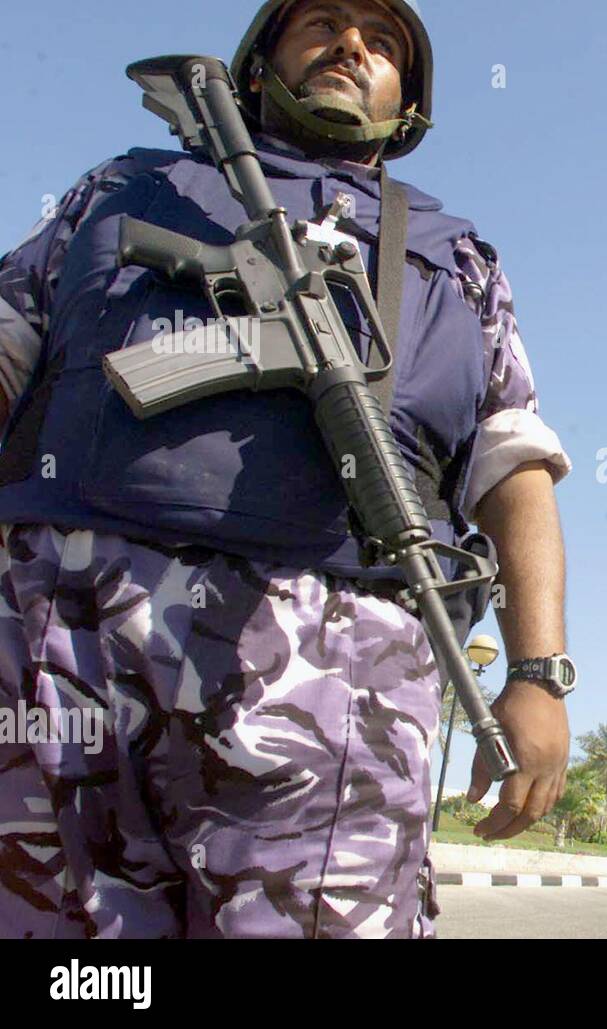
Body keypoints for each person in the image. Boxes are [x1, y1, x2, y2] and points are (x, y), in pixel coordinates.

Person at [0, 0, 575, 938]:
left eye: (384, 43)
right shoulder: (122, 189)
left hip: (336, 675)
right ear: (257, 67)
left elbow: (515, 466)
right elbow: (7, 343)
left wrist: (539, 673)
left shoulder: (457, 257)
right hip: (58, 649)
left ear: (409, 108)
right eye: (324, 22)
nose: (354, 44)